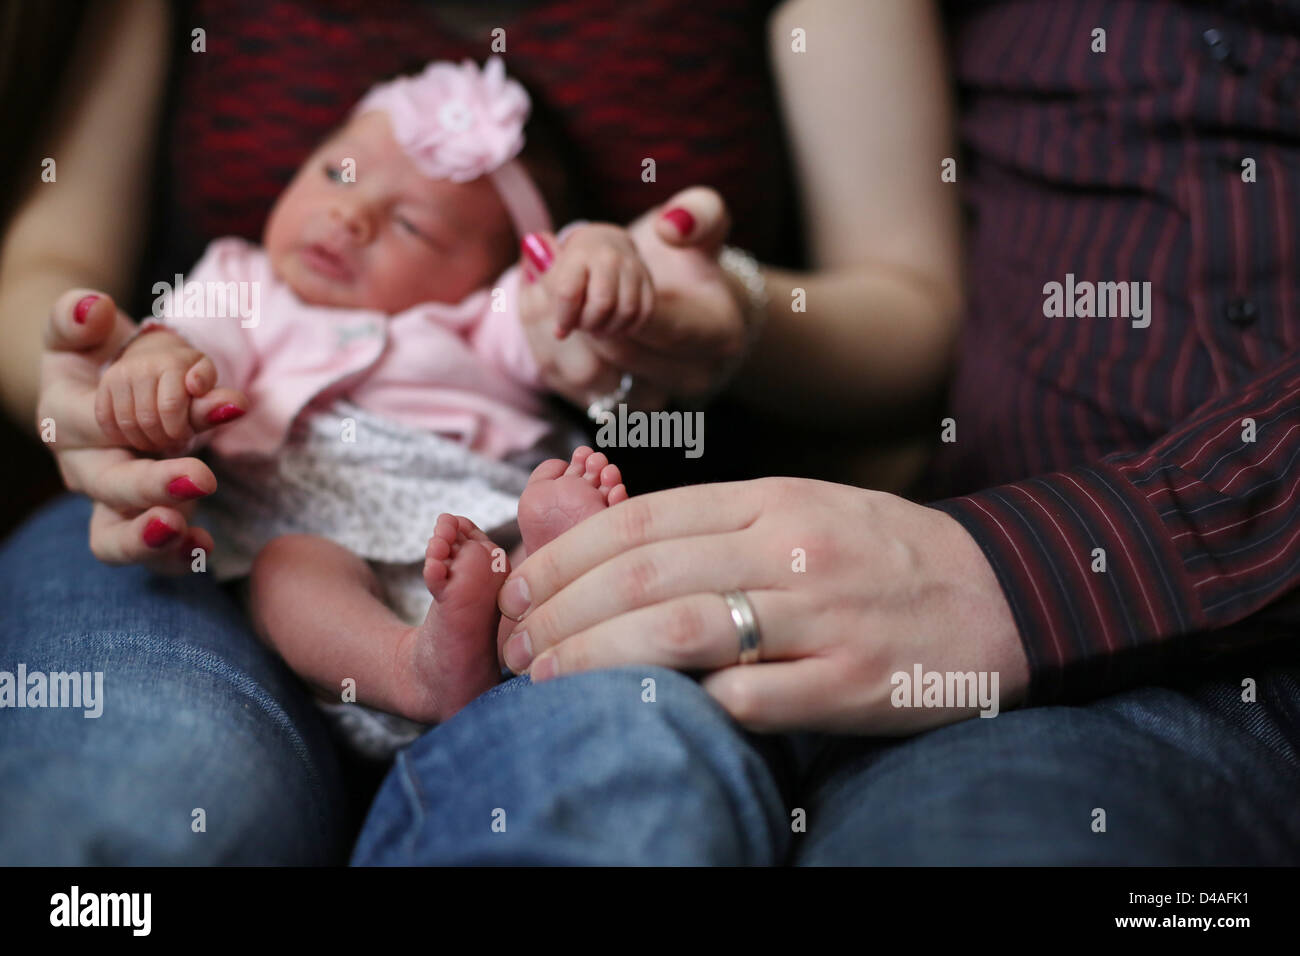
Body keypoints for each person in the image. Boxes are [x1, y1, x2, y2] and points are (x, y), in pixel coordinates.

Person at [350, 0, 1300, 864]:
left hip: (1036, 610)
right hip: (948, 606)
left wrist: (1025, 568)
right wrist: (729, 314)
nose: (346, 218)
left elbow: (905, 317)